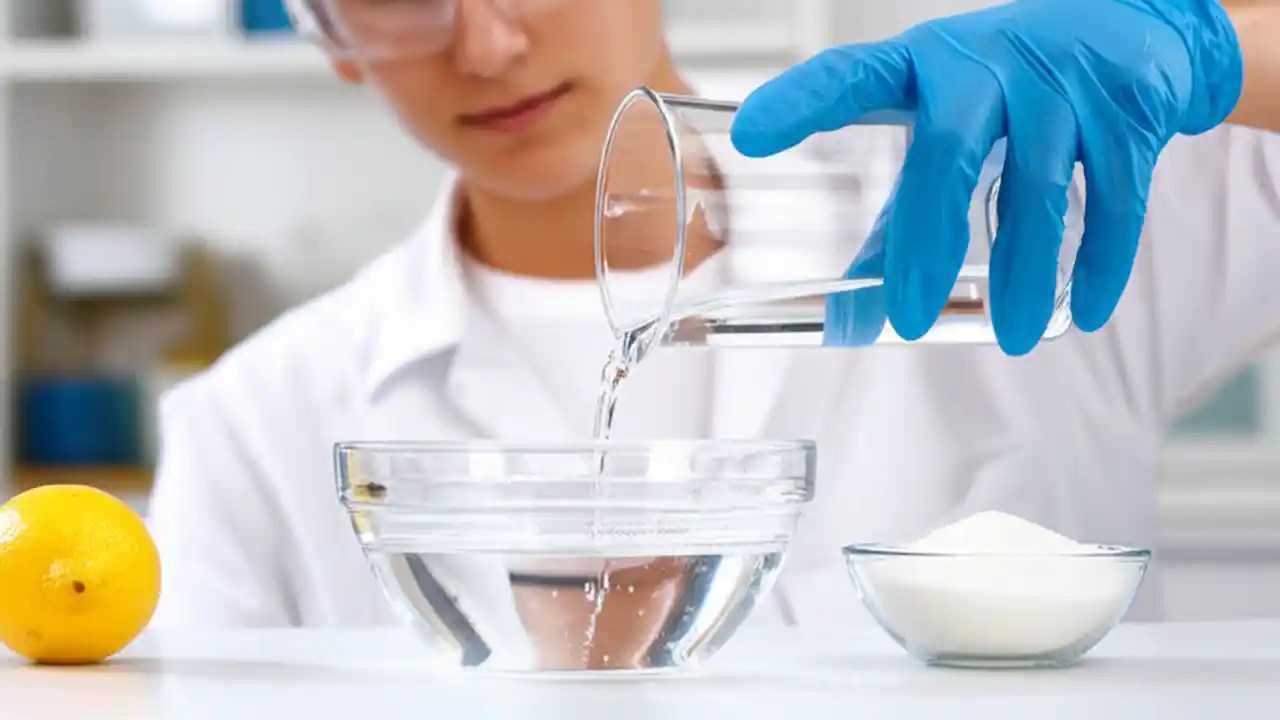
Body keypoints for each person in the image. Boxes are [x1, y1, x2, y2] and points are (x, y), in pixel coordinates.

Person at [149, 0, 1280, 632]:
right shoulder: (254, 427)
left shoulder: (1024, 196)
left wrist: (1208, 47)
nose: (486, 43)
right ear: (329, 41)